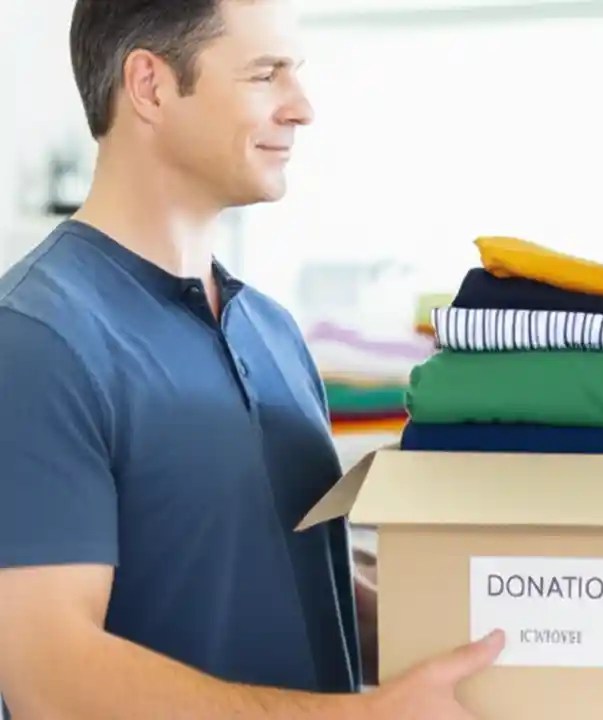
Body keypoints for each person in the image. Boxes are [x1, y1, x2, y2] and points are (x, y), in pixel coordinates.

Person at [0, 0, 503, 717]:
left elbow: (282, 584)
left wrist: (495, 629)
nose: (302, 108)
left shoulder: (272, 332)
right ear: (150, 86)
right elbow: (50, 678)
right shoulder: (34, 340)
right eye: (266, 75)